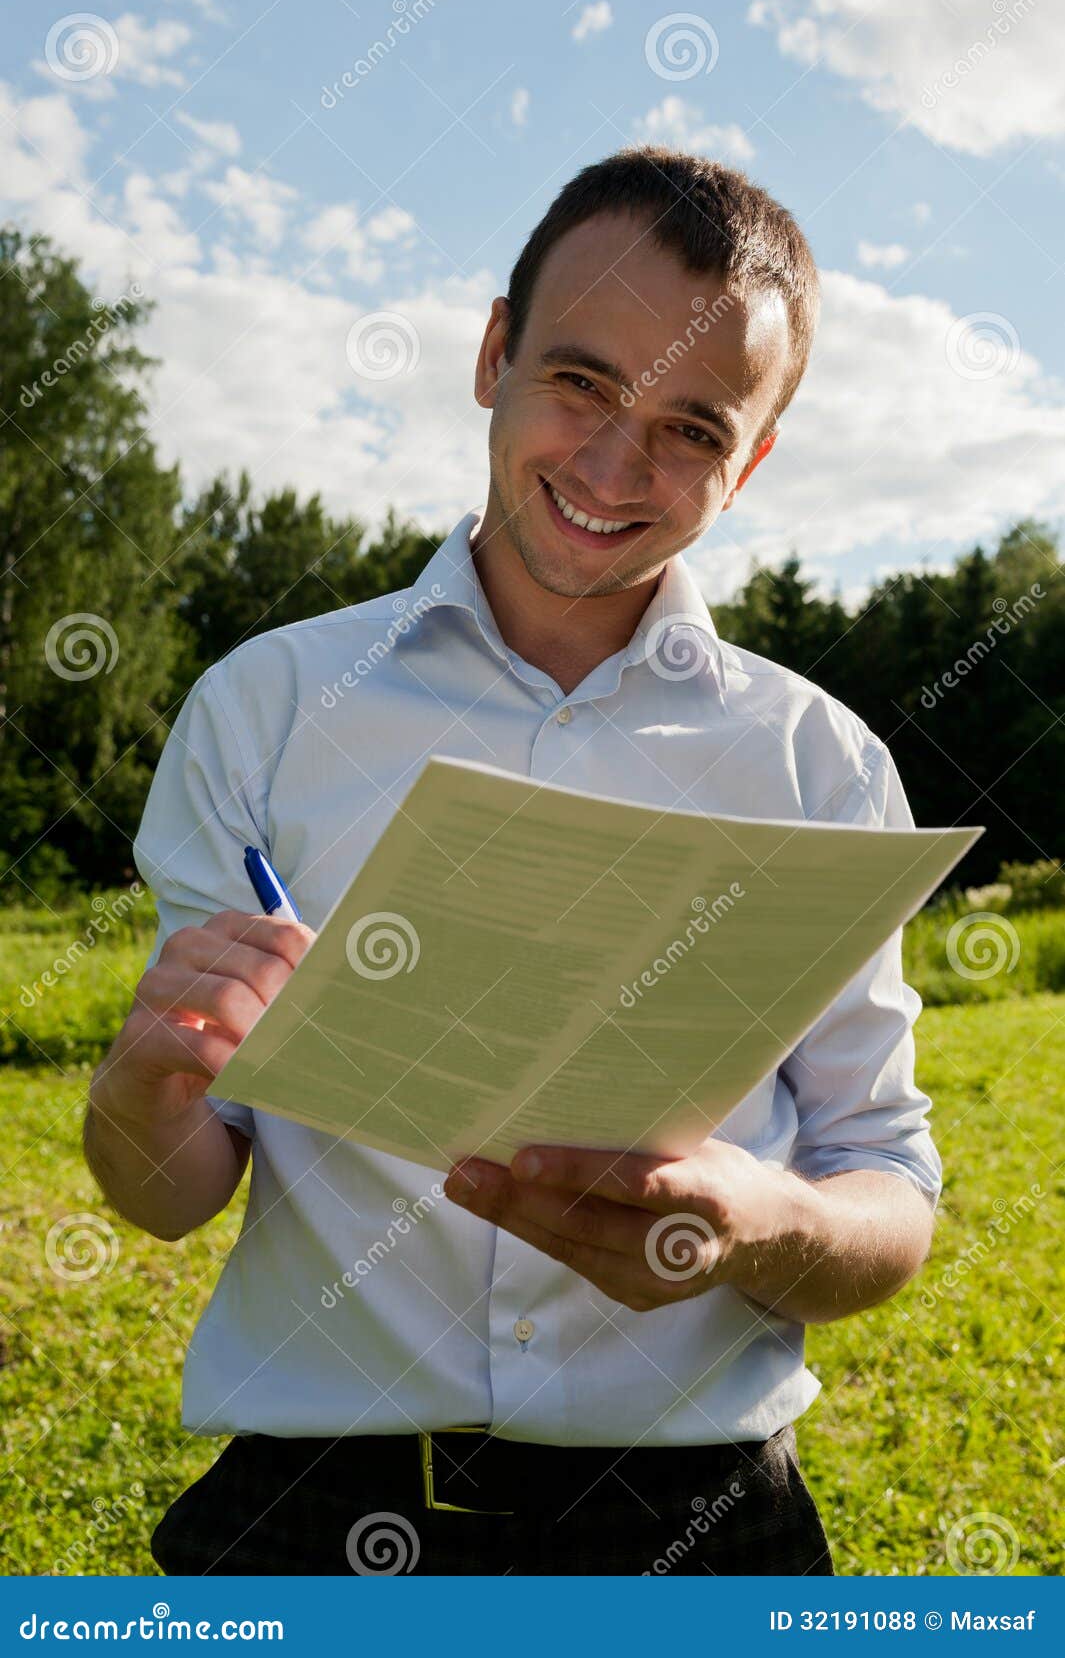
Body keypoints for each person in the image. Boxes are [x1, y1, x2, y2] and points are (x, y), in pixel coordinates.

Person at [85, 145, 940, 1577]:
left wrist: (756, 1224)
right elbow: (174, 1184)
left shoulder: (821, 764)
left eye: (690, 428)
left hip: (696, 1532)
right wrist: (135, 1096)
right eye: (581, 382)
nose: (613, 464)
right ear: (494, 351)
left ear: (757, 456)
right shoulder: (268, 706)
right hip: (309, 1520)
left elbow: (886, 1188)